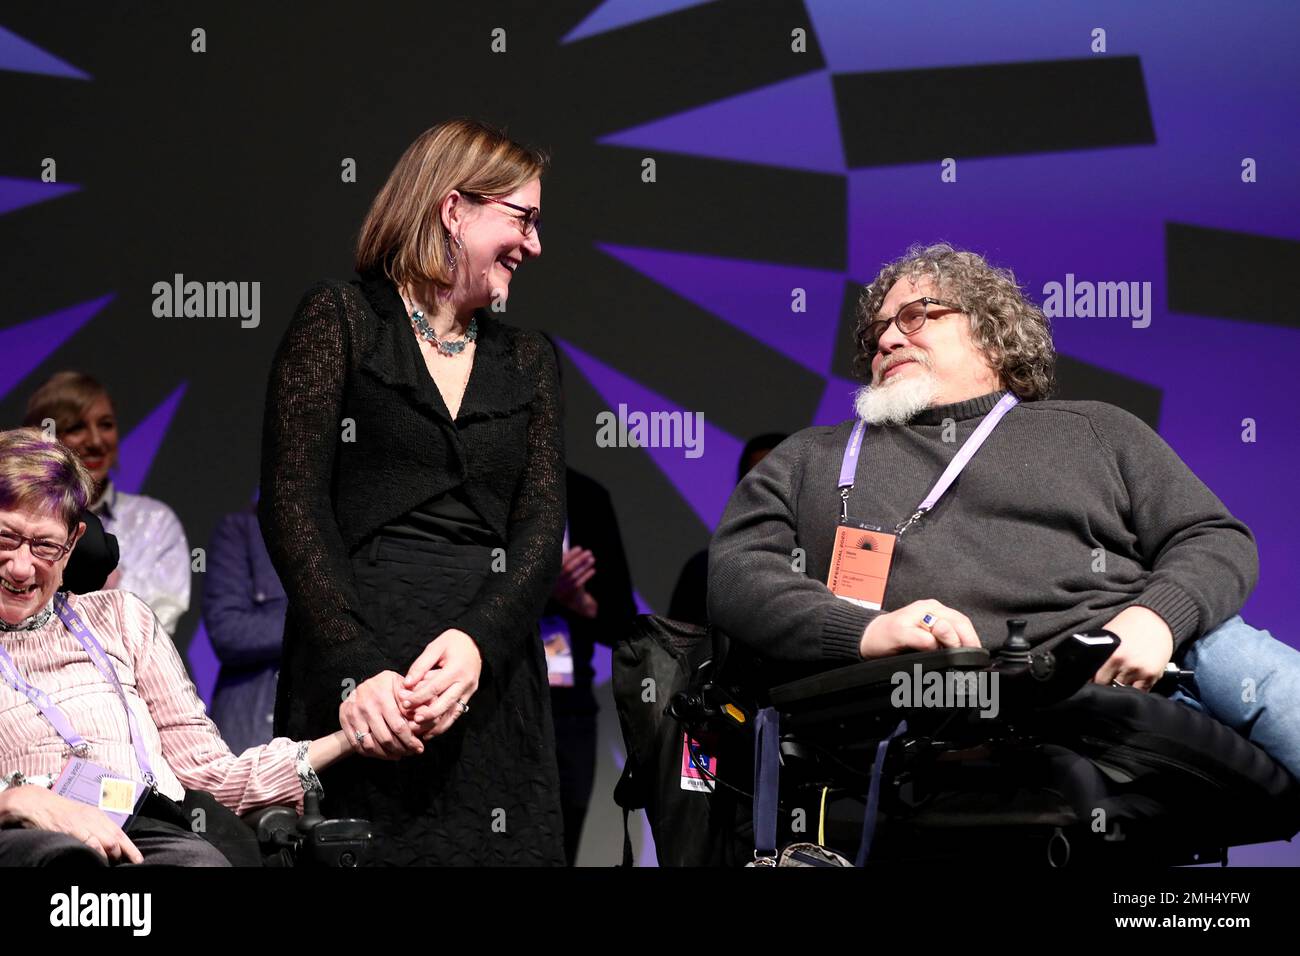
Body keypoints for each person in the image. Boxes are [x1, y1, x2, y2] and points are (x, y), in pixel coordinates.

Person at [708, 242, 1300, 781]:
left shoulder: (1096, 430)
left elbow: (1213, 538)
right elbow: (738, 576)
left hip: (1130, 666)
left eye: (916, 316)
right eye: (879, 331)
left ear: (992, 335)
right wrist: (866, 631)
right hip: (933, 699)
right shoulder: (812, 457)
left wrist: (1157, 619)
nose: (887, 340)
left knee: (1235, 651)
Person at [259, 118, 567, 865]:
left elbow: (540, 526)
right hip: (362, 690)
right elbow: (291, 506)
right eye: (521, 218)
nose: (534, 245)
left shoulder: (529, 358)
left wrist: (477, 644)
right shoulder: (341, 320)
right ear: (452, 209)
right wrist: (354, 668)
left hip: (488, 690)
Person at [0, 428, 354, 866]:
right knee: (65, 863)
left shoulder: (120, 619)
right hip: (24, 835)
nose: (20, 566)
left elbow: (210, 774)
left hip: (147, 829)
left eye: (45, 546)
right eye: (5, 538)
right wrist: (15, 801)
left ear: (72, 545)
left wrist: (352, 735)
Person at [24, 372, 191, 636]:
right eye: (76, 427)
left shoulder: (155, 520)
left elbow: (156, 626)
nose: (96, 441)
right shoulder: (17, 521)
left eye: (105, 424)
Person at [542, 466, 637, 864]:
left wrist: (579, 602)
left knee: (562, 842)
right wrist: (542, 587)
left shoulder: (584, 496)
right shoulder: (485, 484)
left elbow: (623, 625)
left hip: (568, 707)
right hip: (487, 697)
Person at [669, 432, 786, 625]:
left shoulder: (829, 564)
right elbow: (677, 648)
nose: (766, 495)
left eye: (777, 482)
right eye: (755, 483)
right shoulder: (704, 568)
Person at [203, 502, 287, 753]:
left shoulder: (354, 535)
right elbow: (227, 631)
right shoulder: (243, 528)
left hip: (334, 725)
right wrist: (322, 625)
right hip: (252, 733)